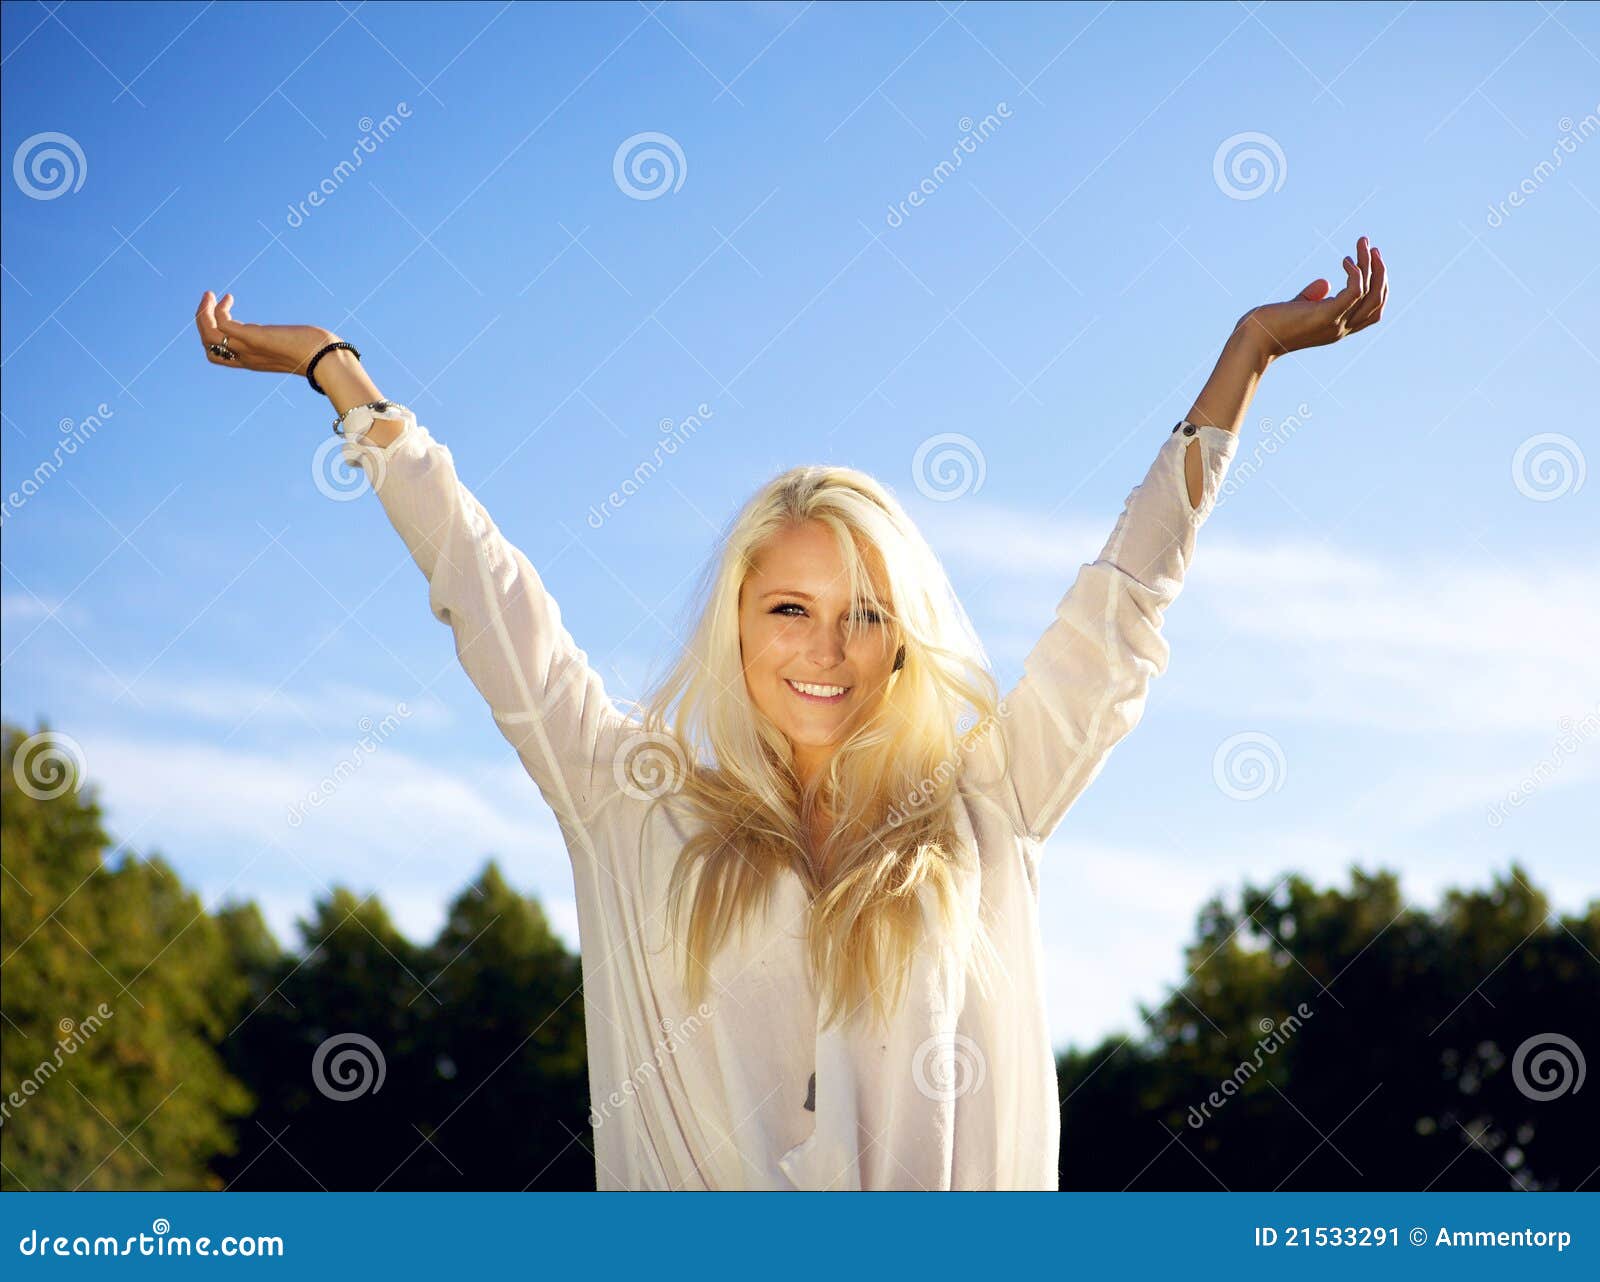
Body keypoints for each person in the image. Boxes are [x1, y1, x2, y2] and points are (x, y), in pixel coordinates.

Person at [194, 237, 1386, 1189]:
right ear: (736, 623)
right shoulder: (631, 805)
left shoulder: (986, 804)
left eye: (862, 613)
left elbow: (1121, 605)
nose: (825, 650)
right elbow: (484, 587)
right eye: (787, 609)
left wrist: (1246, 356)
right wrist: (337, 373)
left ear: (902, 636)